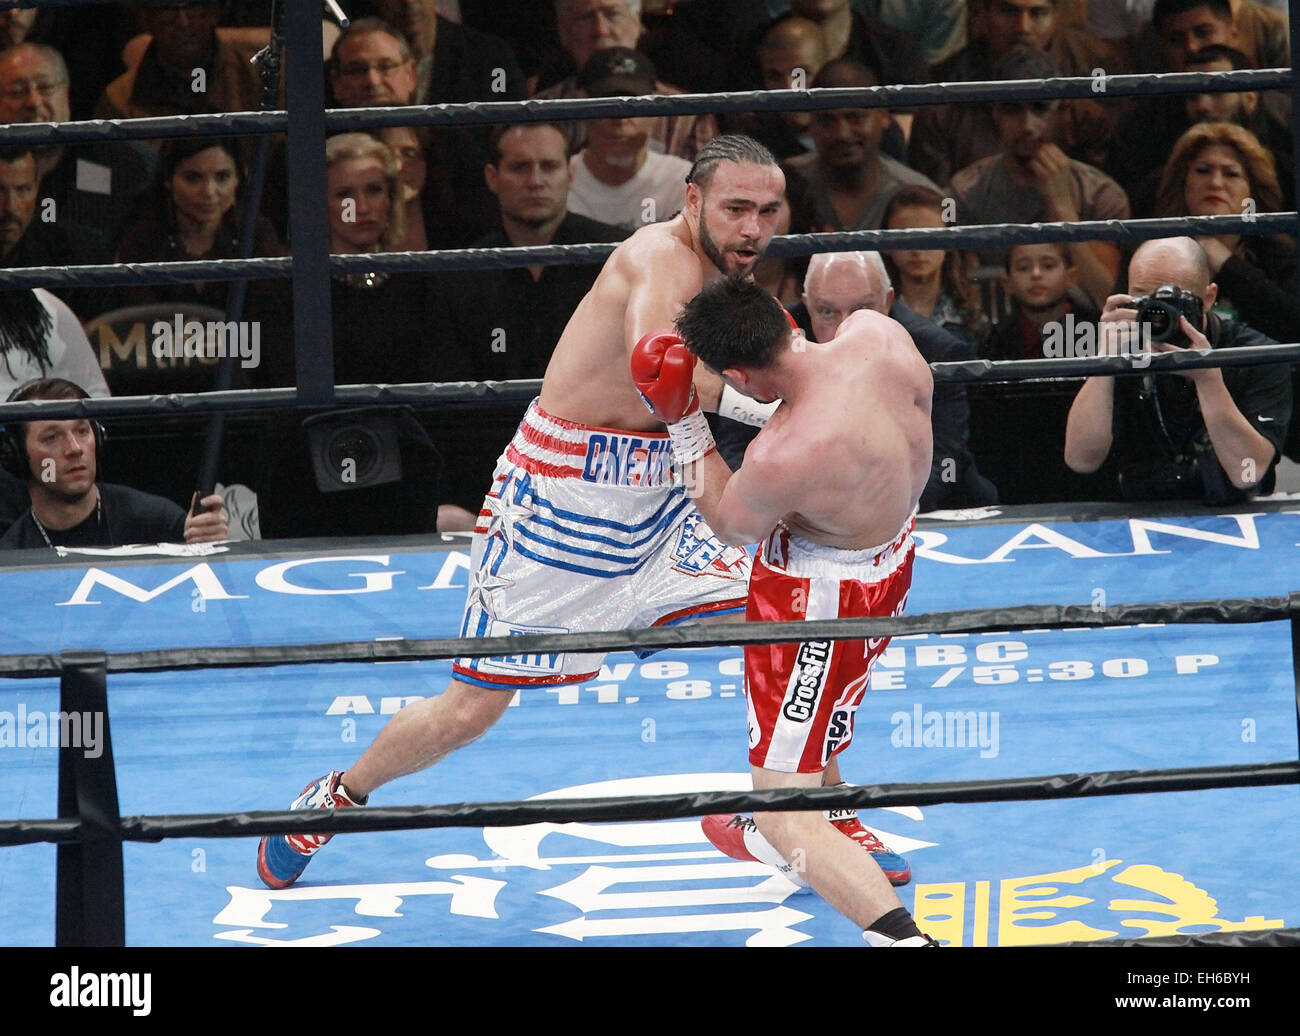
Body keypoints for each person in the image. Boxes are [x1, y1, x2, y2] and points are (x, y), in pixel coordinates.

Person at [256, 135, 901, 895]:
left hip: (665, 496)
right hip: (562, 505)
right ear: (693, 201)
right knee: (470, 709)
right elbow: (657, 367)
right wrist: (763, 407)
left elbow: (776, 365)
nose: (753, 229)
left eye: (767, 210)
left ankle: (808, 808)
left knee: (800, 610)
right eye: (736, 209)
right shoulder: (658, 258)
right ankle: (336, 797)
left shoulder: (737, 281)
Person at [634, 274, 936, 945]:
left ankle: (902, 939)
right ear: (782, 313)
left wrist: (682, 420)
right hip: (893, 551)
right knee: (829, 702)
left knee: (776, 810)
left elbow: (731, 525)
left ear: (740, 373)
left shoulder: (783, 454)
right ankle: (837, 816)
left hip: (819, 600)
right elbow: (828, 406)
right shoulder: (878, 335)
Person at [718, 250, 996, 514]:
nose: (844, 327)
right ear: (807, 306)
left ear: (888, 302)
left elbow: (944, 457)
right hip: (804, 510)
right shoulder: (771, 346)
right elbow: (736, 447)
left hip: (928, 508)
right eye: (827, 312)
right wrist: (799, 513)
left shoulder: (933, 349)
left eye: (862, 309)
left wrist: (868, 517)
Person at [1063, 237, 1291, 502]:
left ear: (1207, 298)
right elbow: (1080, 460)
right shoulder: (1122, 350)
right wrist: (1103, 365)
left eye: (1170, 301)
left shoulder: (1256, 355)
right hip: (1140, 512)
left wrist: (1207, 378)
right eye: (1143, 300)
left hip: (1236, 512)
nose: (1157, 315)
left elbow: (1247, 474)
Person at [947, 47, 1129, 309]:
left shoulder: (1103, 196)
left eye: (1040, 108)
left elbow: (1108, 301)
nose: (1027, 125)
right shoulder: (962, 194)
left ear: (1063, 111)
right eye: (1013, 110)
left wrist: (1063, 210)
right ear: (995, 113)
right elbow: (960, 295)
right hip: (997, 339)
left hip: (1085, 339)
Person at [0, 377, 227, 549]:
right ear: (18, 455)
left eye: (82, 431)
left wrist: (212, 546)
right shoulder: (12, 556)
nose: (75, 448)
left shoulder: (158, 524)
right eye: (51, 437)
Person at [1152, 121, 1299, 347]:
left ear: (1252, 190)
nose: (1215, 183)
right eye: (1203, 171)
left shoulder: (1279, 255)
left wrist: (1226, 264)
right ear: (1184, 183)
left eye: (1231, 174)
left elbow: (1292, 326)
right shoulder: (1153, 249)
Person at [0, 42, 154, 253]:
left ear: (66, 92)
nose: (34, 102)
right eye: (17, 92)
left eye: (45, 88)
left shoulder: (123, 162)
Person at [533, 0, 719, 162]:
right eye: (585, 18)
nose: (600, 30)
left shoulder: (688, 114)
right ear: (564, 31)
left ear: (636, 21)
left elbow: (705, 193)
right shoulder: (540, 113)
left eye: (613, 14)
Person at [782, 59, 941, 236]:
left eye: (855, 118)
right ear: (811, 123)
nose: (842, 134)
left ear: (883, 117)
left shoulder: (918, 196)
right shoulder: (781, 187)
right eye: (827, 120)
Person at [566, 47, 691, 231]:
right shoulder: (560, 181)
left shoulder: (680, 180)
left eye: (633, 106)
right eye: (607, 105)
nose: (620, 120)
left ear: (655, 112)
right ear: (582, 108)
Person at [881, 185, 989, 352]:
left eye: (929, 237)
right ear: (885, 243)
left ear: (950, 242)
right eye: (905, 237)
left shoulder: (973, 321)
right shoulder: (877, 314)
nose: (917, 251)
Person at [986, 241, 1099, 360]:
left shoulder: (1097, 330)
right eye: (1023, 268)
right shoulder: (996, 339)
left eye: (1048, 265)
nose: (1036, 274)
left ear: (1071, 277)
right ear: (1007, 283)